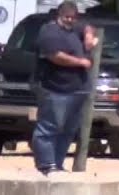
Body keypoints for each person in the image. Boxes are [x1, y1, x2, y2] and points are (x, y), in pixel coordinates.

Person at [31, 1, 97, 175]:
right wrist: (81, 62)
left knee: (68, 129)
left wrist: (89, 36)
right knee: (48, 128)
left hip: (78, 90)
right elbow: (56, 56)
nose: (70, 20)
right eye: (66, 17)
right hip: (54, 89)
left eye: (73, 17)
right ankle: (46, 165)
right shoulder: (49, 32)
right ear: (58, 16)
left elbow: (88, 27)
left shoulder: (75, 28)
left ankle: (57, 164)